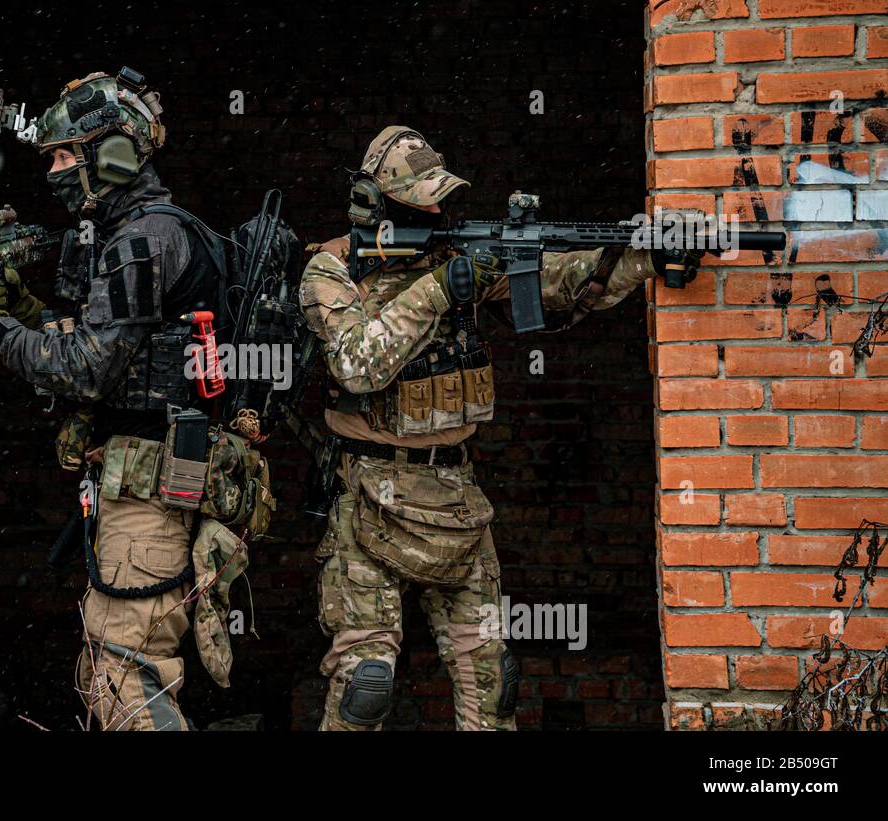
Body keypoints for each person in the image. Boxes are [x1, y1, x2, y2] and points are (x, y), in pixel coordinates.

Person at [299, 125, 700, 731]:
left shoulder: (452, 256)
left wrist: (639, 254)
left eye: (439, 200)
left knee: (495, 687)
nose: (435, 212)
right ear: (376, 203)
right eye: (418, 203)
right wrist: (440, 290)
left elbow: (562, 282)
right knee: (366, 689)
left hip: (457, 502)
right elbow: (356, 363)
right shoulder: (331, 268)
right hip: (369, 501)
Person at [0, 69, 252, 731]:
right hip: (145, 487)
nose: (55, 171)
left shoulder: (141, 244)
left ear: (114, 156)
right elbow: (112, 354)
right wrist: (23, 311)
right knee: (108, 669)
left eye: (66, 155)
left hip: (152, 496)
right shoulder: (152, 231)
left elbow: (88, 371)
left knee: (128, 681)